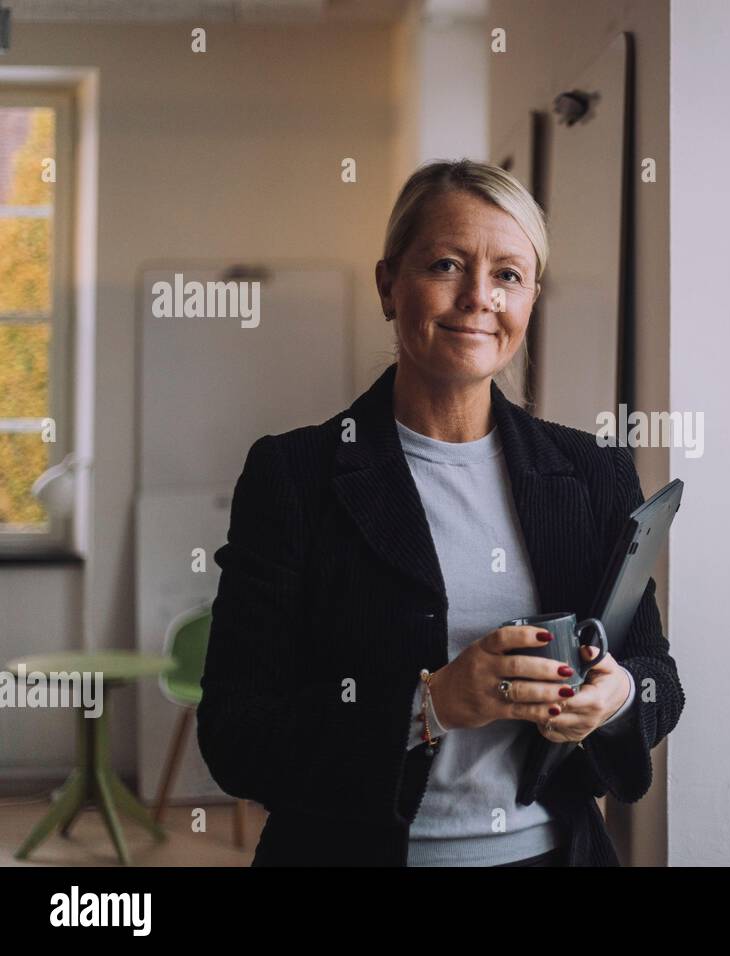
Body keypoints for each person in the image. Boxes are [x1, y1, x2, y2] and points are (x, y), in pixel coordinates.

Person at [196, 159, 685, 866]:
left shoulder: (593, 472)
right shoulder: (294, 476)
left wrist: (611, 701)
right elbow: (237, 736)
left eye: (508, 275)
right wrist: (429, 706)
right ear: (388, 284)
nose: (478, 297)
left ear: (531, 299)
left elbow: (656, 678)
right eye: (448, 265)